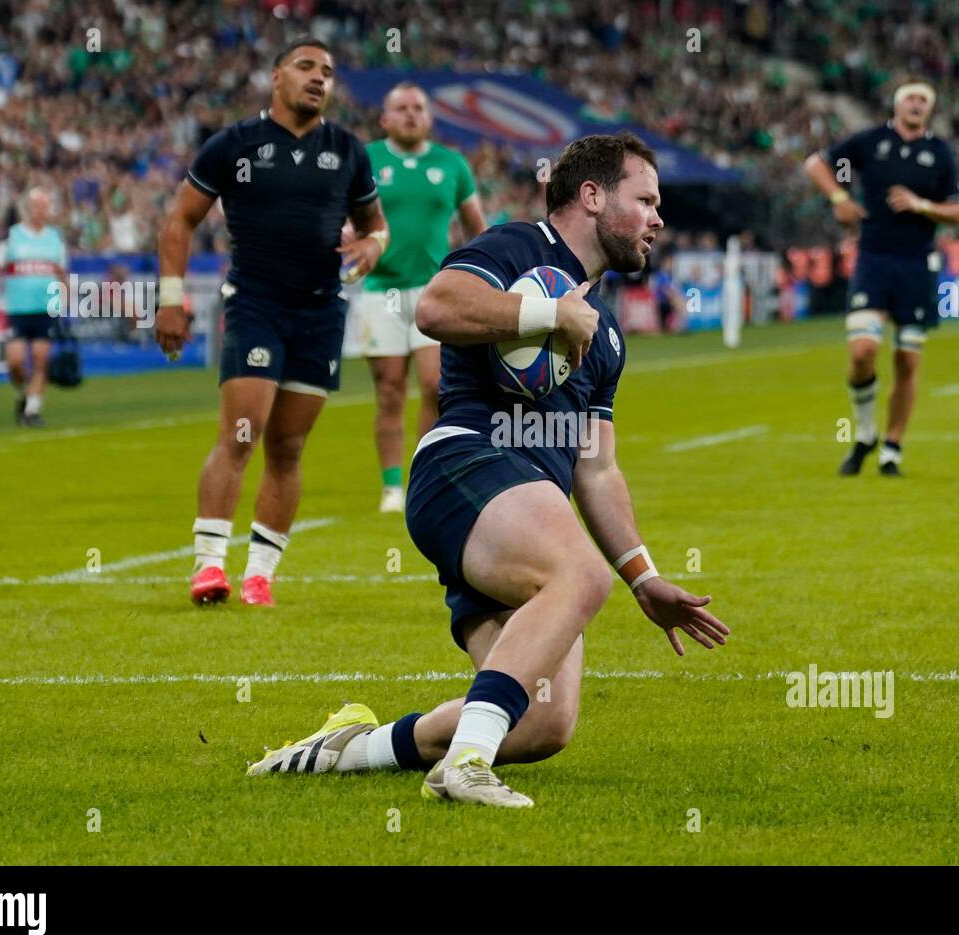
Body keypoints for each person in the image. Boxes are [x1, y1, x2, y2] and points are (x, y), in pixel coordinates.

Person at [246, 133, 730, 808]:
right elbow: (435, 307)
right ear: (592, 197)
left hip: (526, 510)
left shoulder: (608, 332)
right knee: (578, 573)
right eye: (645, 199)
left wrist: (643, 576)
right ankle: (464, 766)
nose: (658, 218)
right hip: (465, 464)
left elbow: (597, 470)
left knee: (543, 723)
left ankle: (350, 748)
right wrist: (547, 312)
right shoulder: (518, 247)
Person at [154, 37, 388, 607]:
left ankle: (260, 573)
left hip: (321, 313)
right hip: (256, 305)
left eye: (328, 71)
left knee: (287, 447)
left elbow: (375, 225)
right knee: (241, 434)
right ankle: (209, 564)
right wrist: (170, 298)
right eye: (306, 66)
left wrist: (374, 246)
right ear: (276, 76)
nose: (319, 78)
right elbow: (180, 220)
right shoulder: (235, 144)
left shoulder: (348, 151)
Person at [803, 81, 959, 476]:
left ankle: (893, 447)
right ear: (897, 104)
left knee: (907, 361)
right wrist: (840, 199)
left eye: (924, 100)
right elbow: (815, 163)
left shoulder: (940, 152)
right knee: (861, 353)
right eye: (910, 98)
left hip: (916, 265)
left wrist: (920, 205)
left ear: (930, 110)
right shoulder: (871, 142)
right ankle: (864, 433)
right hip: (873, 260)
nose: (917, 105)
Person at [358, 82, 487, 512]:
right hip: (380, 291)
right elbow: (345, 216)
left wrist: (486, 272)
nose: (411, 114)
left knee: (435, 386)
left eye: (418, 107)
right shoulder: (368, 160)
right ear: (385, 118)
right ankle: (391, 486)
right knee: (390, 391)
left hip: (434, 291)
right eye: (401, 108)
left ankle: (421, 477)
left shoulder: (451, 164)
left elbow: (476, 227)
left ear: (430, 118)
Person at [0, 188, 67, 425]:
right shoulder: (12, 238)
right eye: (36, 206)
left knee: (41, 359)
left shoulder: (54, 239)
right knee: (15, 362)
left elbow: (62, 276)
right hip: (17, 310)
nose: (40, 211)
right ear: (28, 209)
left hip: (46, 309)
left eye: (44, 206)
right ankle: (23, 393)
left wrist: (65, 305)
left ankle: (33, 409)